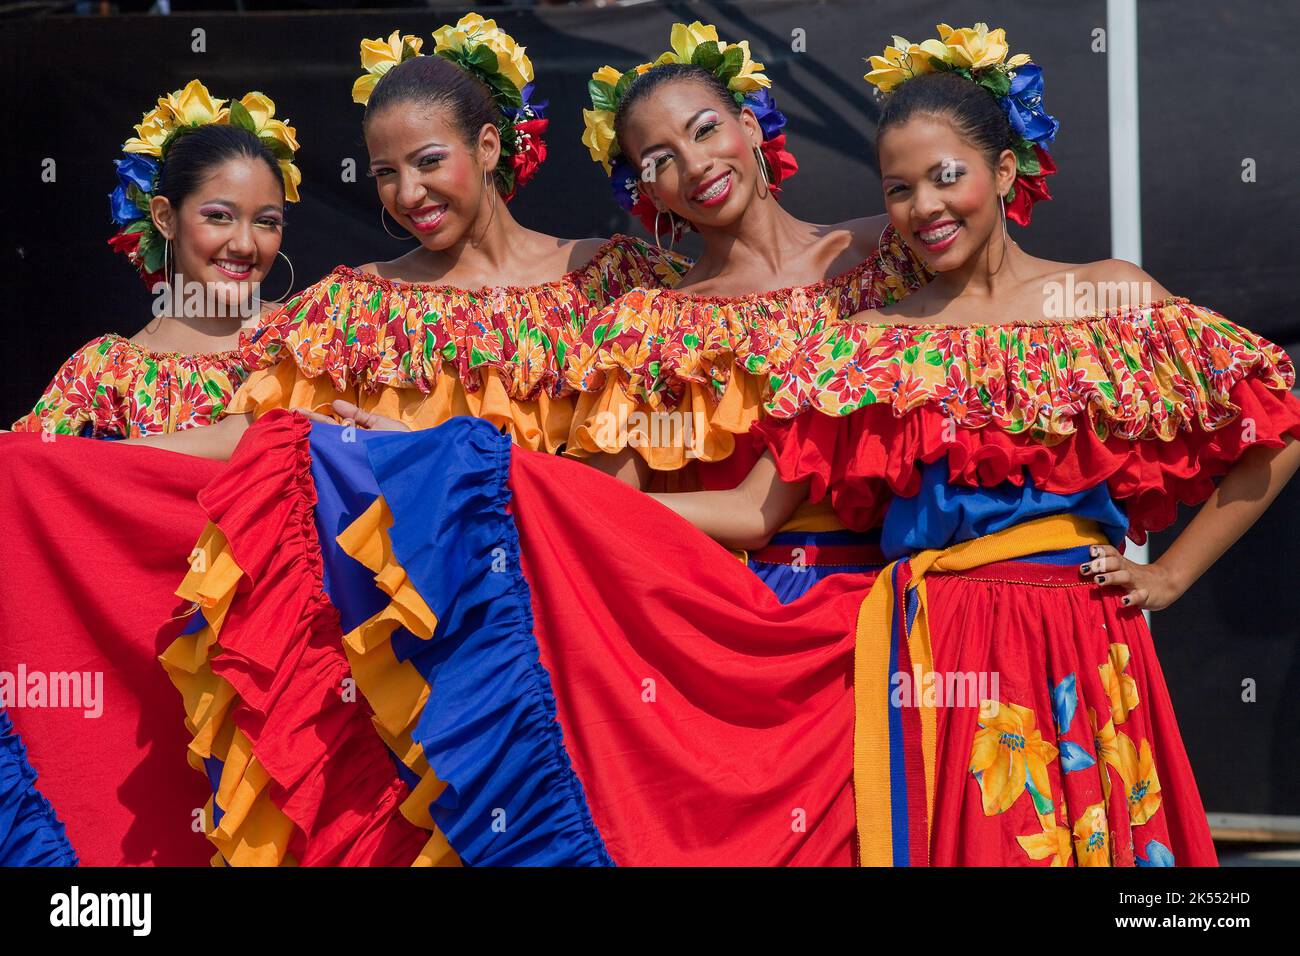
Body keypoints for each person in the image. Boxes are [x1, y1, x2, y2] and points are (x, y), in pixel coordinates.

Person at [646, 23, 1300, 865]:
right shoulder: (868, 344)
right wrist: (566, 492)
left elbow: (1275, 426)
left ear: (1005, 170)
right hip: (939, 652)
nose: (924, 207)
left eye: (945, 176)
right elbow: (751, 510)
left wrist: (1169, 574)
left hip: (1080, 636)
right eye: (898, 189)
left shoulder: (1105, 299)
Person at [126, 17, 690, 465]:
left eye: (429, 162)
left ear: (488, 147)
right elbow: (252, 433)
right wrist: (65, 457)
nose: (409, 192)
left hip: (570, 588)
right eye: (386, 173)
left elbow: (686, 444)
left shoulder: (614, 283)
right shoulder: (355, 309)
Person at [11, 80, 301, 438]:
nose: (244, 244)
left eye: (266, 222)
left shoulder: (308, 343)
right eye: (218, 216)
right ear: (165, 217)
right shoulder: (102, 375)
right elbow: (33, 472)